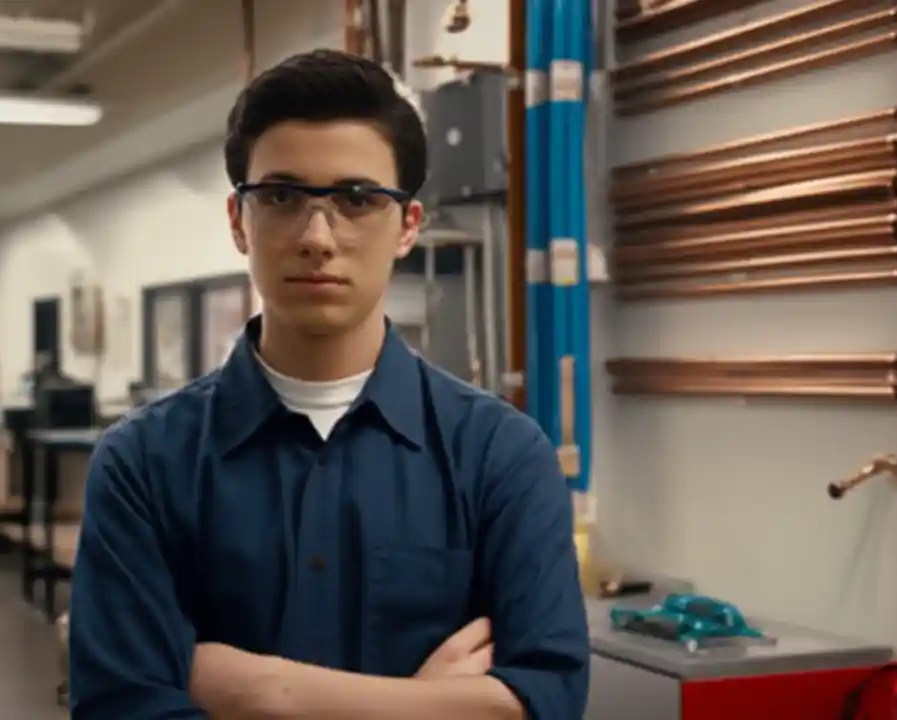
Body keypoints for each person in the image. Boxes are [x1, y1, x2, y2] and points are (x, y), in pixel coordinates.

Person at [68, 49, 589, 719]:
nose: (318, 235)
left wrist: (260, 691)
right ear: (238, 221)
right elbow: (121, 707)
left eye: (356, 199)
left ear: (407, 226)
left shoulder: (499, 456)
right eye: (282, 197)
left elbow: (544, 700)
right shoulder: (142, 464)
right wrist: (424, 707)